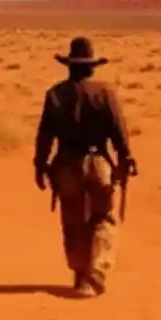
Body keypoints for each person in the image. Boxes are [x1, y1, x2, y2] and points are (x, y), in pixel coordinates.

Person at [33, 36, 137, 298]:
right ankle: (94, 275)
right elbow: (118, 131)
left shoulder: (55, 94)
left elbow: (45, 135)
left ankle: (81, 274)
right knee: (104, 217)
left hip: (67, 164)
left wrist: (40, 165)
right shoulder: (105, 94)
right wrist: (125, 159)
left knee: (73, 219)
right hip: (99, 163)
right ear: (91, 67)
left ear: (69, 66)